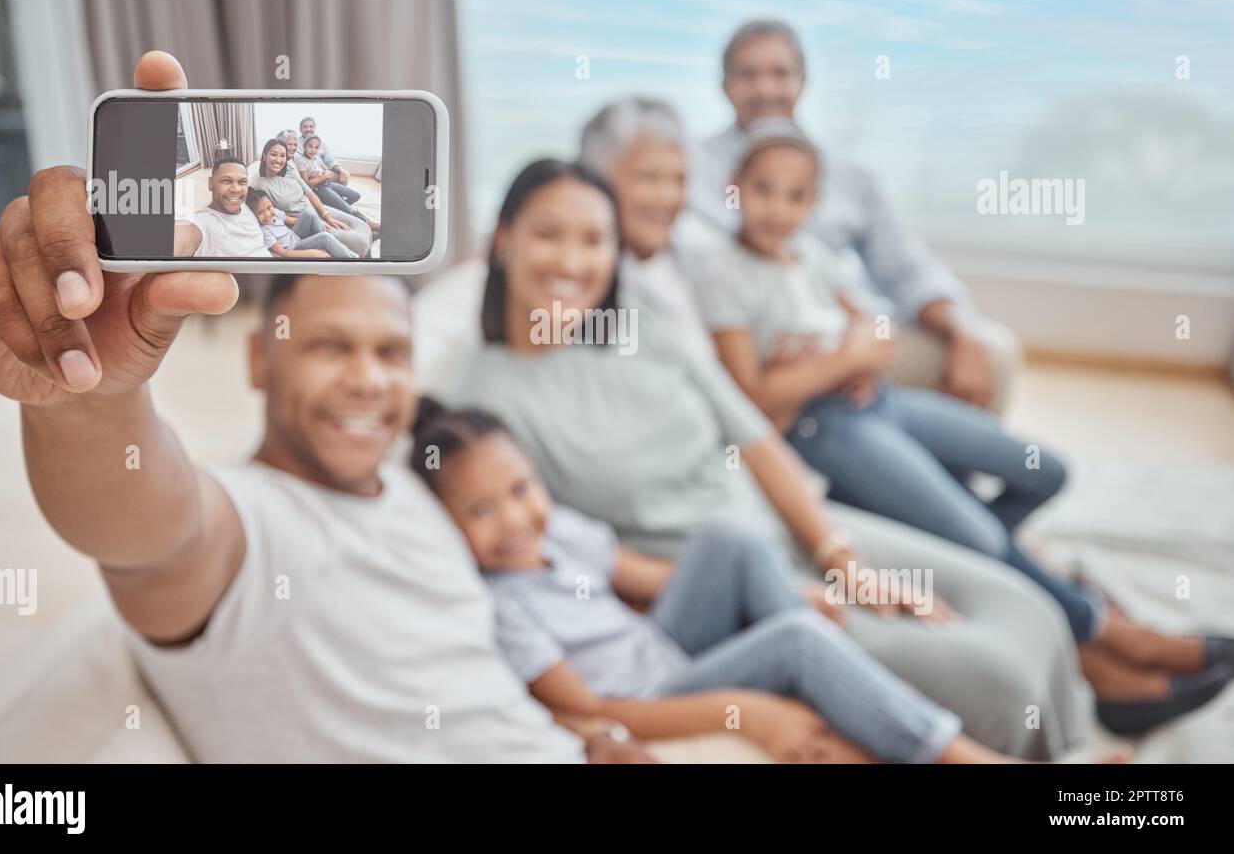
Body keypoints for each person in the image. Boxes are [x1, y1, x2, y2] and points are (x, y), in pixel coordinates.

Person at [0, 50, 651, 764]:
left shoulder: (418, 486)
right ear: (261, 358)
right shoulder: (250, 525)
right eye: (329, 347)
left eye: (392, 353)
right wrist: (92, 396)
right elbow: (144, 532)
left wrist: (594, 741)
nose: (368, 379)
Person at [443, 157, 1092, 759]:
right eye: (548, 235)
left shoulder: (643, 324)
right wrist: (785, 596)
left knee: (1030, 610)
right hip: (718, 603)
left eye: (595, 240)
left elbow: (753, 437)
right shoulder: (484, 403)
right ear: (502, 240)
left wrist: (840, 555)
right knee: (999, 680)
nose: (573, 260)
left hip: (788, 528)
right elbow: (552, 571)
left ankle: (1099, 708)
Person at [697, 119, 1234, 733]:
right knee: (979, 538)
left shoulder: (816, 259)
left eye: (795, 196)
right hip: (823, 434)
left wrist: (839, 357)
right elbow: (753, 398)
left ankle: (1019, 581)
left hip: (877, 403)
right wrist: (843, 358)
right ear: (735, 188)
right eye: (762, 190)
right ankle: (1107, 639)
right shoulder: (721, 272)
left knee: (1046, 473)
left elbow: (881, 335)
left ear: (813, 204)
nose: (776, 209)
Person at [410, 398, 1092, 763]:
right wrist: (747, 707)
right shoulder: (501, 606)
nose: (514, 517)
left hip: (667, 644)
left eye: (521, 488)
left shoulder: (558, 529)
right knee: (794, 640)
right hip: (654, 689)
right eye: (479, 509)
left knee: (727, 535)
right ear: (445, 527)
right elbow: (599, 709)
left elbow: (655, 577)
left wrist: (798, 589)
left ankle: (843, 672)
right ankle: (965, 758)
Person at [686, 19, 1019, 412]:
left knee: (994, 353)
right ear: (725, 85)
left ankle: (951, 468)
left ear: (804, 80)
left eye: (780, 73)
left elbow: (906, 271)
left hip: (846, 341)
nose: (765, 88)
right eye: (748, 74)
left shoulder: (849, 175)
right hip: (752, 352)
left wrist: (964, 335)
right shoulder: (690, 169)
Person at [578, 97, 712, 358]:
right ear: (595, 178)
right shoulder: (582, 281)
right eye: (648, 177)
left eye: (679, 179)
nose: (668, 197)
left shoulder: (691, 255)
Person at [250, 138, 372, 257]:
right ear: (265, 156)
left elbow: (309, 192)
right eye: (274, 154)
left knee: (364, 227)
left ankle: (370, 247)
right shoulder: (259, 185)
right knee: (360, 243)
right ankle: (353, 260)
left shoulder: (290, 170)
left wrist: (326, 216)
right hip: (301, 225)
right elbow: (265, 215)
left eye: (283, 155)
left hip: (313, 211)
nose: (278, 160)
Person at [173, 157, 272, 259]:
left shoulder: (245, 205)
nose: (236, 189)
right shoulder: (202, 223)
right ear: (210, 183)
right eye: (226, 181)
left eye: (242, 182)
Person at [248, 188, 357, 259]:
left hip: (294, 236)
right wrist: (314, 253)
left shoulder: (275, 212)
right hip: (293, 248)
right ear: (253, 215)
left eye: (269, 207)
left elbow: (293, 220)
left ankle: (328, 244)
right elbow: (284, 253)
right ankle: (354, 260)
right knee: (325, 238)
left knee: (309, 214)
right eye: (260, 212)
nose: (267, 214)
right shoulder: (265, 231)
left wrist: (318, 223)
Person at [295, 133, 365, 217]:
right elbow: (306, 183)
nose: (313, 150)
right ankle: (359, 217)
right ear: (304, 146)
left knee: (356, 196)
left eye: (316, 147)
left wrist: (327, 176)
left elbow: (327, 171)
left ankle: (338, 209)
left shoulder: (316, 158)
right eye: (310, 146)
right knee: (348, 209)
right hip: (318, 190)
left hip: (328, 184)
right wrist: (323, 177)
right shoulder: (301, 161)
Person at [299, 115, 351, 186]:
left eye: (311, 126)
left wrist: (341, 171)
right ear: (300, 129)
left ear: (315, 128)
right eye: (305, 127)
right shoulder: (296, 143)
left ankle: (336, 194)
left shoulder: (322, 144)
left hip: (321, 171)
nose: (308, 129)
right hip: (309, 174)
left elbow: (329, 160)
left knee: (343, 175)